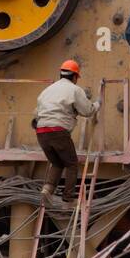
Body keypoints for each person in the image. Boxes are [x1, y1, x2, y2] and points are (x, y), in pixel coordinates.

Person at [31, 60, 99, 201]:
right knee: (71, 164)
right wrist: (98, 104)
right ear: (75, 76)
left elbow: (36, 114)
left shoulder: (47, 91)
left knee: (57, 162)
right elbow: (87, 111)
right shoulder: (74, 90)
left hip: (41, 132)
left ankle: (47, 190)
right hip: (58, 131)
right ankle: (68, 197)